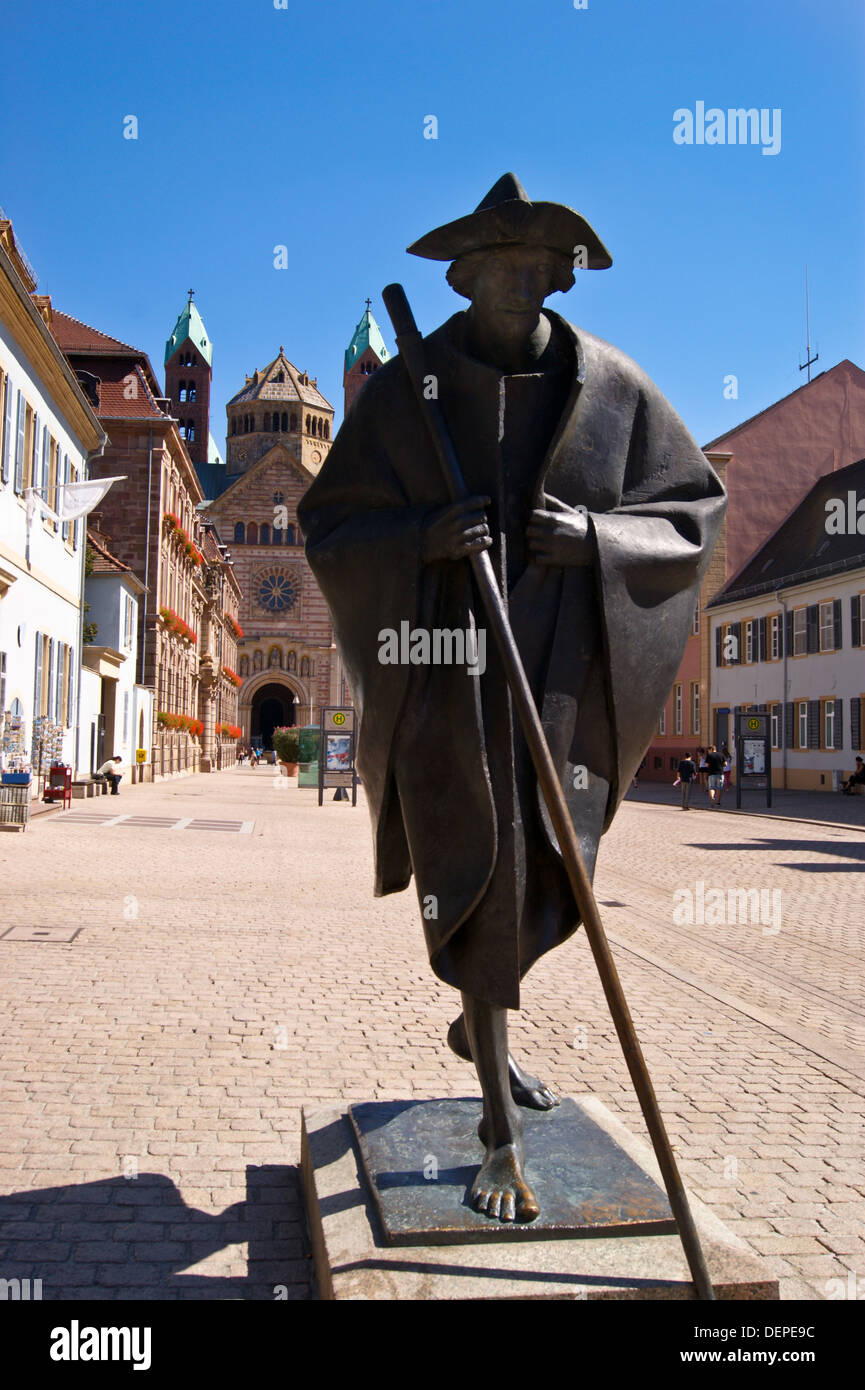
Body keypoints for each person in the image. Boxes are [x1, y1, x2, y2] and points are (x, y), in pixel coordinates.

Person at [298, 173, 726, 1224]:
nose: (511, 288)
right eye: (491, 272)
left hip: (562, 686)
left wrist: (594, 540)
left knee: (543, 884)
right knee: (477, 877)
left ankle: (477, 1022)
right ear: (462, 277)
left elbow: (689, 514)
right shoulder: (410, 391)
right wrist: (421, 542)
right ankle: (499, 1128)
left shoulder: (613, 388)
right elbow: (331, 528)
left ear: (555, 277)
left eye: (531, 271)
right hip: (448, 680)